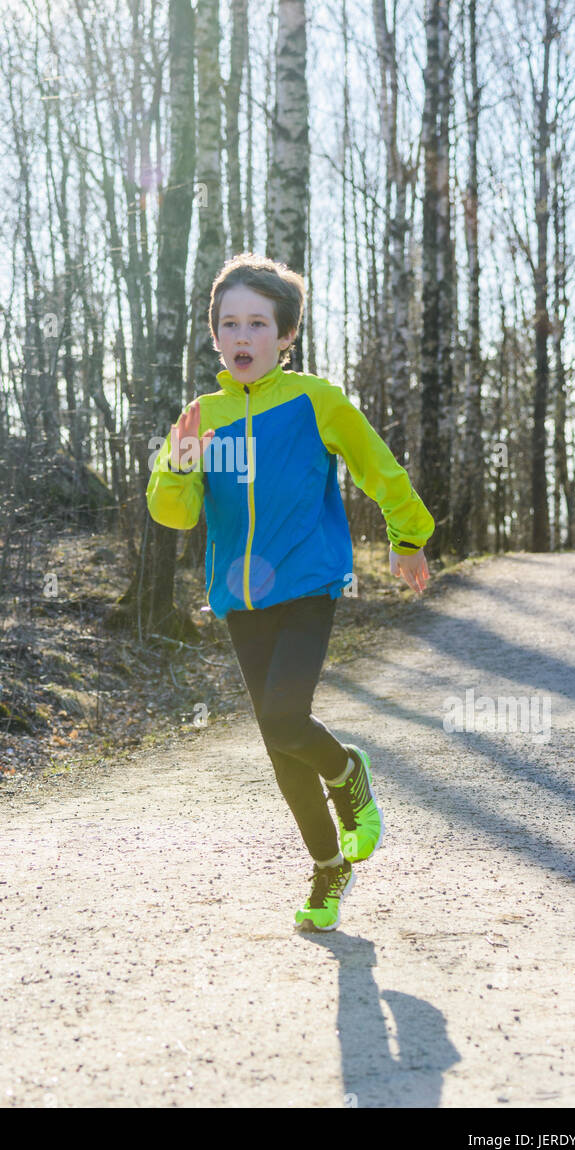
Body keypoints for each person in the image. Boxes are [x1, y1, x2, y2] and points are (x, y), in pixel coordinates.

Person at [146, 252, 433, 931]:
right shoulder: (202, 416)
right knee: (280, 746)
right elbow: (174, 513)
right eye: (228, 324)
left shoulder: (314, 399)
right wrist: (180, 464)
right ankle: (328, 868)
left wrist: (408, 536)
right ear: (214, 335)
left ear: (284, 337)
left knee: (281, 718)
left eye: (256, 323)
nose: (241, 336)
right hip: (239, 597)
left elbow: (375, 465)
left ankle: (349, 778)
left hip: (307, 581)